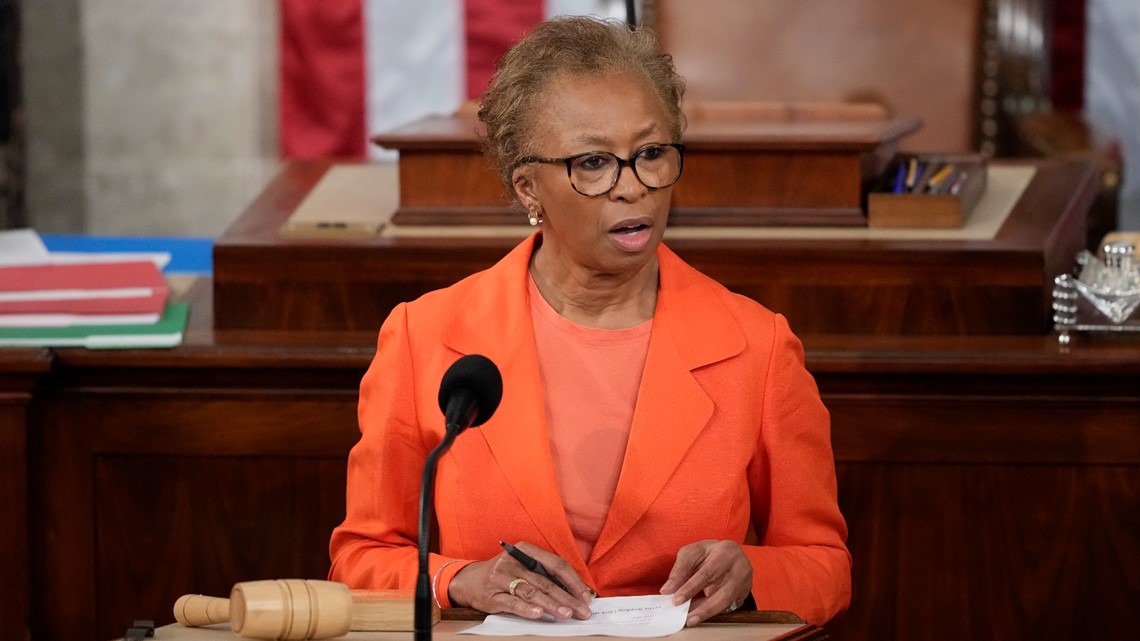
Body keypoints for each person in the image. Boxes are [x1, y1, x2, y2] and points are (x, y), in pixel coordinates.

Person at [329, 15, 851, 627]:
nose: (633, 188)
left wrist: (751, 576)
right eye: (594, 162)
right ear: (529, 188)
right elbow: (361, 559)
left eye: (651, 154)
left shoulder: (757, 347)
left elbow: (824, 566)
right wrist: (462, 581)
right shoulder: (424, 337)